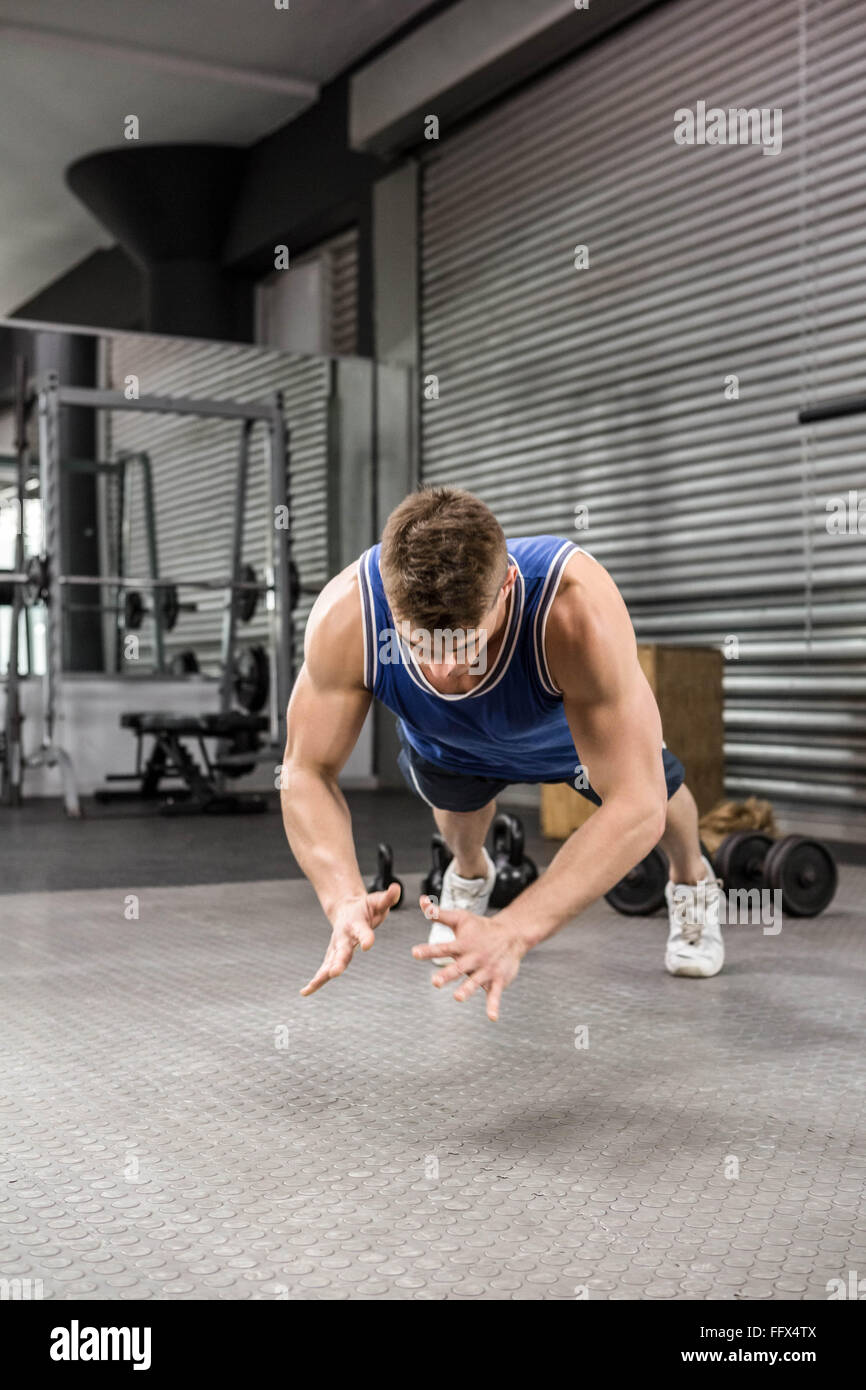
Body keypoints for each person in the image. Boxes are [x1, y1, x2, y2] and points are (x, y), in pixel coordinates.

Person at [282, 487, 723, 1021]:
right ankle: (469, 875)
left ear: (508, 586)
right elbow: (306, 771)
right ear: (391, 606)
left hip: (562, 737)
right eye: (420, 648)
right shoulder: (348, 615)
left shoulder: (574, 605)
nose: (447, 674)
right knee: (457, 817)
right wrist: (342, 897)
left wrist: (514, 929)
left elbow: (637, 802)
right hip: (446, 740)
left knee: (663, 793)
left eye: (468, 645)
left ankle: (693, 883)